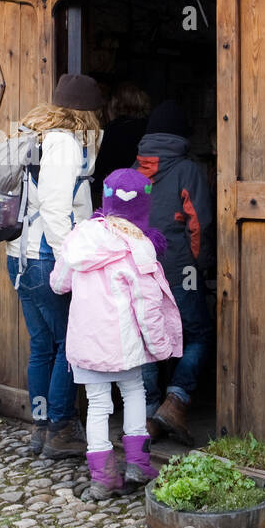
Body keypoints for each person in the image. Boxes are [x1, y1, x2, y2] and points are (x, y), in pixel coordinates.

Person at [50, 168, 182, 501]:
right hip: (124, 345)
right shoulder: (137, 248)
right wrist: (161, 346)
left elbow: (58, 283)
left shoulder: (79, 238)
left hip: (85, 341)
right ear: (143, 209)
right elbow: (148, 306)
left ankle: (103, 478)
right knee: (134, 392)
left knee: (97, 405)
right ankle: (138, 463)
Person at [6, 73, 104, 460]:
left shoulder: (36, 136)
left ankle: (41, 429)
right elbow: (53, 206)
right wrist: (71, 259)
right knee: (69, 346)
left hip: (21, 257)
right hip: (47, 259)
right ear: (87, 112)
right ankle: (61, 430)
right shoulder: (64, 143)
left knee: (42, 346)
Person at [135, 99, 215, 444]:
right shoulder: (187, 170)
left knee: (146, 339)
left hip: (138, 267)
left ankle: (149, 414)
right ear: (182, 135)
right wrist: (201, 266)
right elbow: (199, 224)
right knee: (198, 333)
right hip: (179, 268)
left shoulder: (132, 171)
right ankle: (176, 399)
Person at [92, 82, 151, 195]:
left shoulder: (112, 130)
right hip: (145, 187)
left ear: (116, 104)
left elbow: (99, 166)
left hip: (118, 189)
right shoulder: (149, 127)